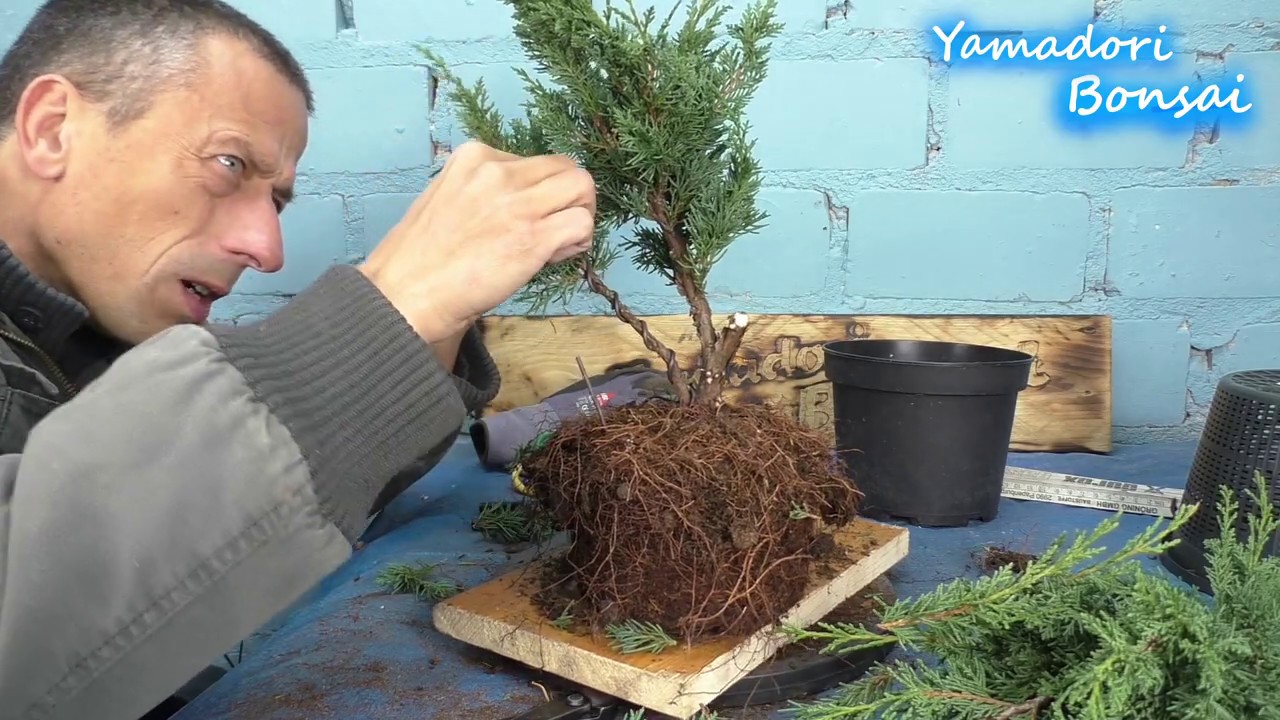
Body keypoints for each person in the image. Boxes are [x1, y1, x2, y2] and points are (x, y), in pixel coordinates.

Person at [0, 1, 597, 718]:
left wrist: (440, 312)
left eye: (277, 201)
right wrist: (394, 305)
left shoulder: (85, 343)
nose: (267, 248)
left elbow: (268, 512)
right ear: (51, 128)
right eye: (228, 164)